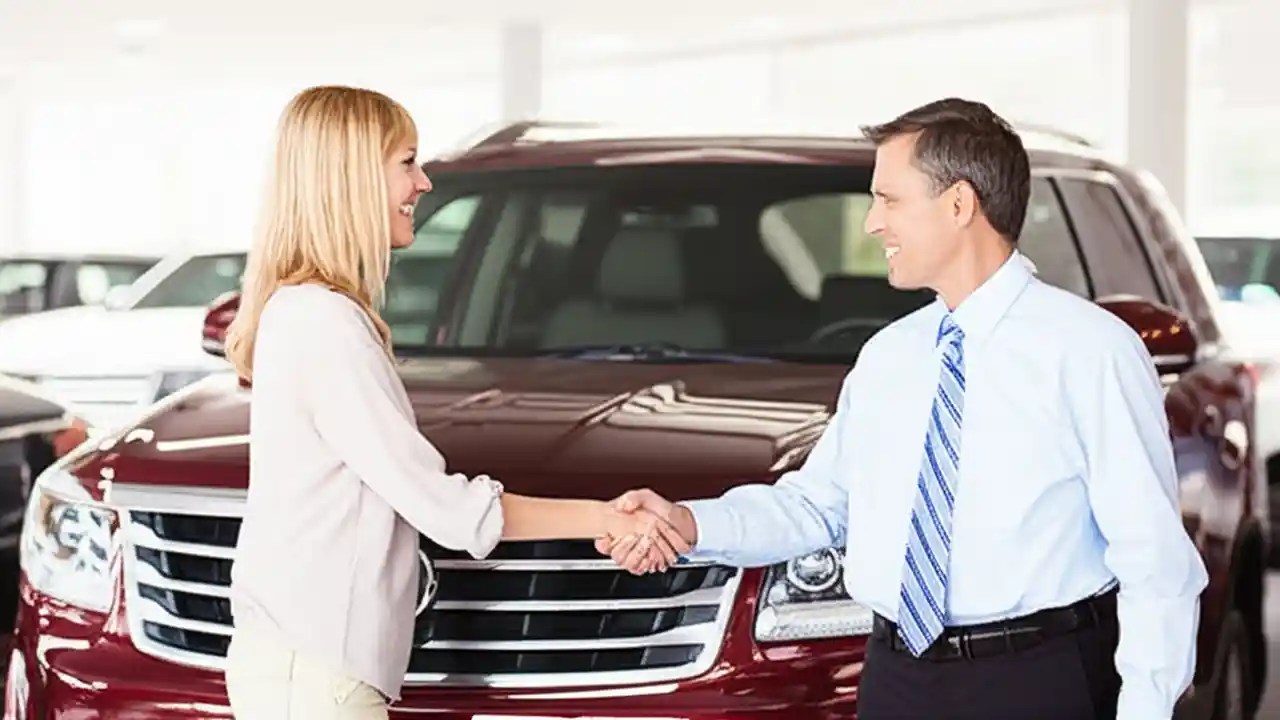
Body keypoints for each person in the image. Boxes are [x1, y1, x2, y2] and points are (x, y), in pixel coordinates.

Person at [598, 98, 1209, 720]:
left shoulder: (1090, 350)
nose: (871, 223)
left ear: (959, 204)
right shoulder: (890, 356)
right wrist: (686, 523)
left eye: (889, 199)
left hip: (1036, 680)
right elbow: (818, 504)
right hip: (896, 678)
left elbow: (1154, 561)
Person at [220, 85, 686, 720]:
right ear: (352, 176)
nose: (425, 183)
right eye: (407, 162)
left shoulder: (305, 311)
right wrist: (608, 519)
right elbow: (443, 508)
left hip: (299, 662)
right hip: (318, 674)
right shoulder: (323, 321)